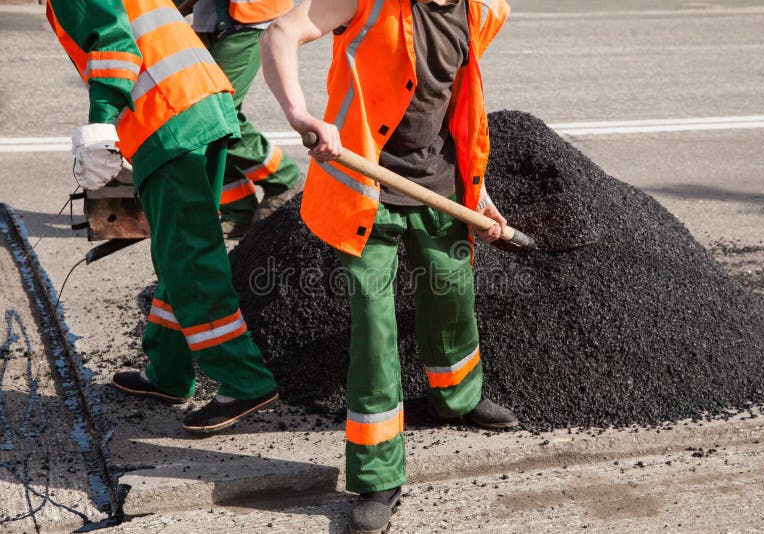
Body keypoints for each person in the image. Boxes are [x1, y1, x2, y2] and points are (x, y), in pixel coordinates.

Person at [260, 0, 517, 531]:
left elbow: (454, 101)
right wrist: (300, 114)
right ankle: (378, 476)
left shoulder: (483, 10)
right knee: (375, 329)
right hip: (366, 193)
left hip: (441, 189)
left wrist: (479, 188)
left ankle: (457, 397)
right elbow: (279, 34)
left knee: (451, 295)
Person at [46, 0, 279, 434]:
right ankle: (169, 373)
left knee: (190, 257)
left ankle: (246, 380)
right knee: (178, 250)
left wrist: (101, 125)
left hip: (168, 118)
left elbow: (115, 45)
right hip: (200, 102)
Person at [179, 0, 305, 239]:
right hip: (213, 18)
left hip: (251, 16)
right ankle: (237, 209)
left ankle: (284, 178)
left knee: (211, 113)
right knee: (207, 118)